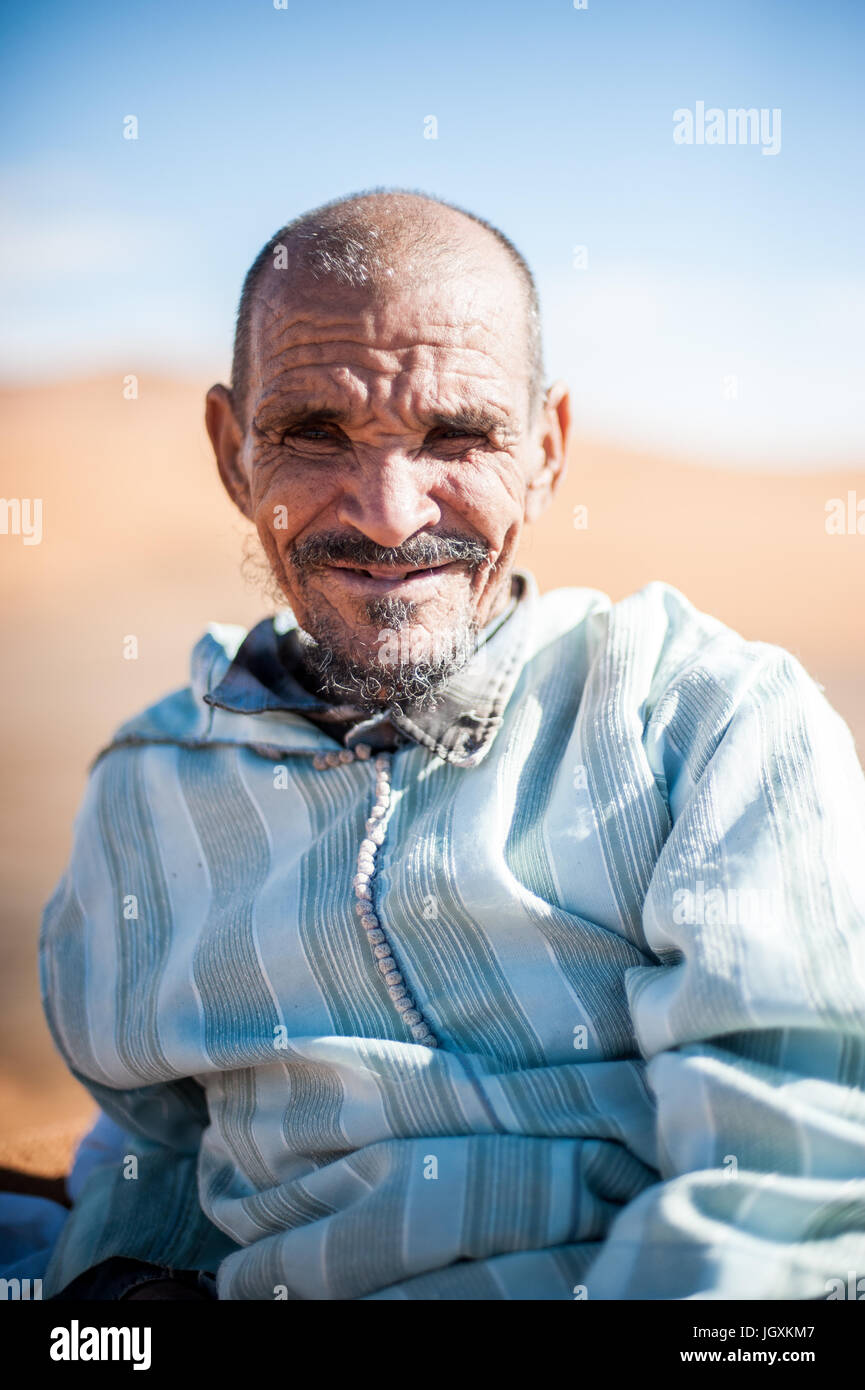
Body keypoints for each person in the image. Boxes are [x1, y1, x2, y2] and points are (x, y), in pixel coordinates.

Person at [39, 189, 865, 1300]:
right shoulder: (144, 795)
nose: (386, 512)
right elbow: (159, 1171)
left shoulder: (704, 722)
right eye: (311, 434)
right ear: (234, 455)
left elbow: (786, 1189)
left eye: (459, 435)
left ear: (547, 449)